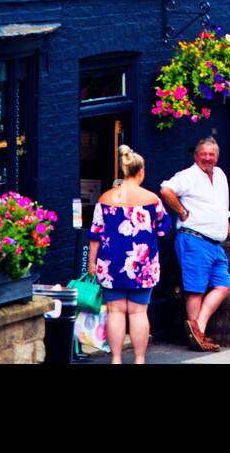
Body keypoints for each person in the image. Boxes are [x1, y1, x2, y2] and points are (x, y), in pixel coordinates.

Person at [86, 145, 171, 364]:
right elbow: (164, 228)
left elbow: (95, 233)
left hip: (111, 263)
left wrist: (91, 263)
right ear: (141, 172)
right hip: (142, 265)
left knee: (115, 312)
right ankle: (139, 359)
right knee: (138, 312)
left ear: (123, 172)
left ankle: (115, 359)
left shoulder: (105, 198)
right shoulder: (152, 200)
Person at [161, 137, 230, 351]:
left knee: (224, 285)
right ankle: (197, 336)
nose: (207, 158)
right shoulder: (188, 176)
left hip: (215, 242)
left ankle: (197, 328)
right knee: (195, 290)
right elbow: (166, 190)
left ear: (217, 157)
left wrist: (226, 226)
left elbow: (221, 205)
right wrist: (182, 212)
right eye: (203, 154)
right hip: (194, 239)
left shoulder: (220, 175)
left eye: (211, 154)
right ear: (196, 156)